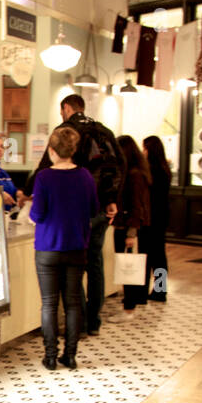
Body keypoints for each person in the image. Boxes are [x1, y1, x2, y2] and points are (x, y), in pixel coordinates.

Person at [23, 94, 124, 335]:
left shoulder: (67, 131)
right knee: (95, 265)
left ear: (66, 108)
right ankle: (93, 322)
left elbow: (44, 169)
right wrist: (111, 200)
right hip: (100, 209)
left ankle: (79, 325)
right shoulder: (104, 131)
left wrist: (26, 191)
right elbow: (120, 165)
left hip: (72, 215)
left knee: (73, 270)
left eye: (61, 111)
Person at [29, 125, 100, 370]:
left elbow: (37, 214)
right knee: (72, 303)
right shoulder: (85, 176)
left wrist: (31, 216)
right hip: (77, 246)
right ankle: (70, 355)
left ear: (51, 150)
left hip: (48, 247)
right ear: (74, 149)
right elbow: (93, 210)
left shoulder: (44, 177)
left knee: (49, 303)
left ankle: (50, 356)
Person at [111, 135, 152, 321]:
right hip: (132, 225)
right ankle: (157, 292)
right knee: (155, 261)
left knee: (129, 267)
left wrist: (131, 232)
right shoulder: (137, 172)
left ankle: (158, 291)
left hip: (129, 227)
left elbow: (137, 206)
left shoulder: (134, 175)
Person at [142, 135, 172, 303]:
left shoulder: (151, 171)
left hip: (151, 217)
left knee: (149, 256)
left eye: (144, 148)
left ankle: (149, 289)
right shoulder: (164, 168)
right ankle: (161, 289)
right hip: (161, 216)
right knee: (160, 256)